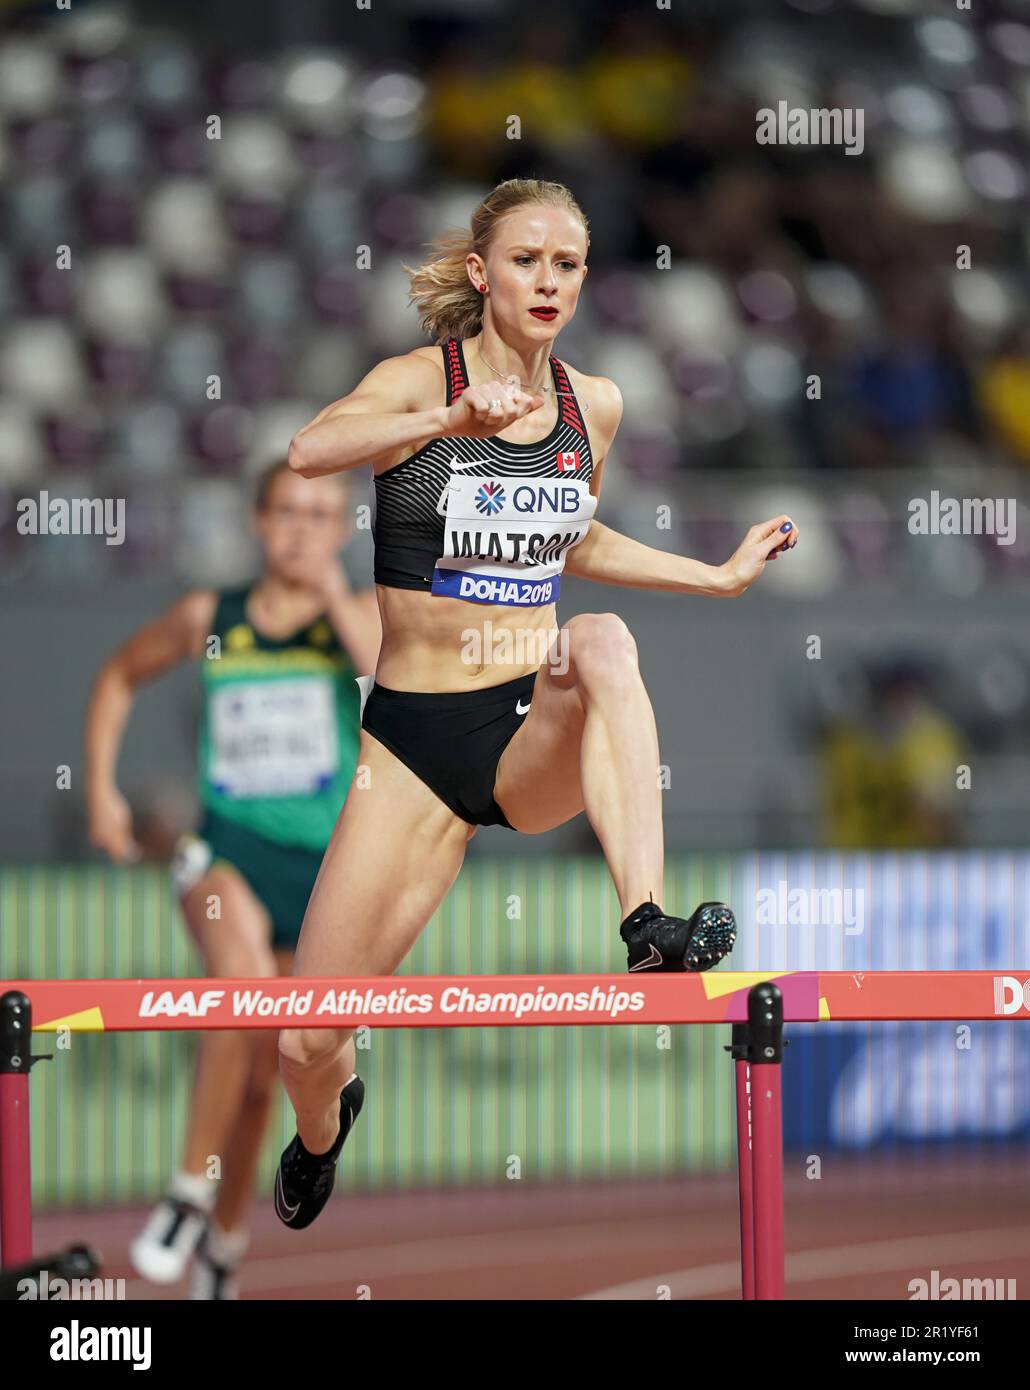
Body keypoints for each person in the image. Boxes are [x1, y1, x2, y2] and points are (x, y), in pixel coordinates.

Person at [272, 177, 801, 1230]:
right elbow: (306, 453)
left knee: (600, 639)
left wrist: (715, 574)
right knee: (305, 1038)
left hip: (524, 726)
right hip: (412, 747)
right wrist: (445, 418)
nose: (548, 280)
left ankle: (644, 919)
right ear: (482, 272)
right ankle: (325, 1126)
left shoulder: (590, 403)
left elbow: (579, 537)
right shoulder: (419, 377)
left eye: (566, 264)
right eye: (526, 260)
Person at [84, 461, 381, 1295]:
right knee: (237, 986)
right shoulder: (209, 617)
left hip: (321, 878)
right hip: (225, 851)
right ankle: (185, 1193)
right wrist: (103, 791)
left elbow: (392, 689)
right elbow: (116, 676)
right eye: (287, 511)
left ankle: (224, 1241)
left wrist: (333, 598)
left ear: (341, 533)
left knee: (265, 1072)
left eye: (323, 515)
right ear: (258, 522)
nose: (302, 529)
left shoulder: (355, 621)